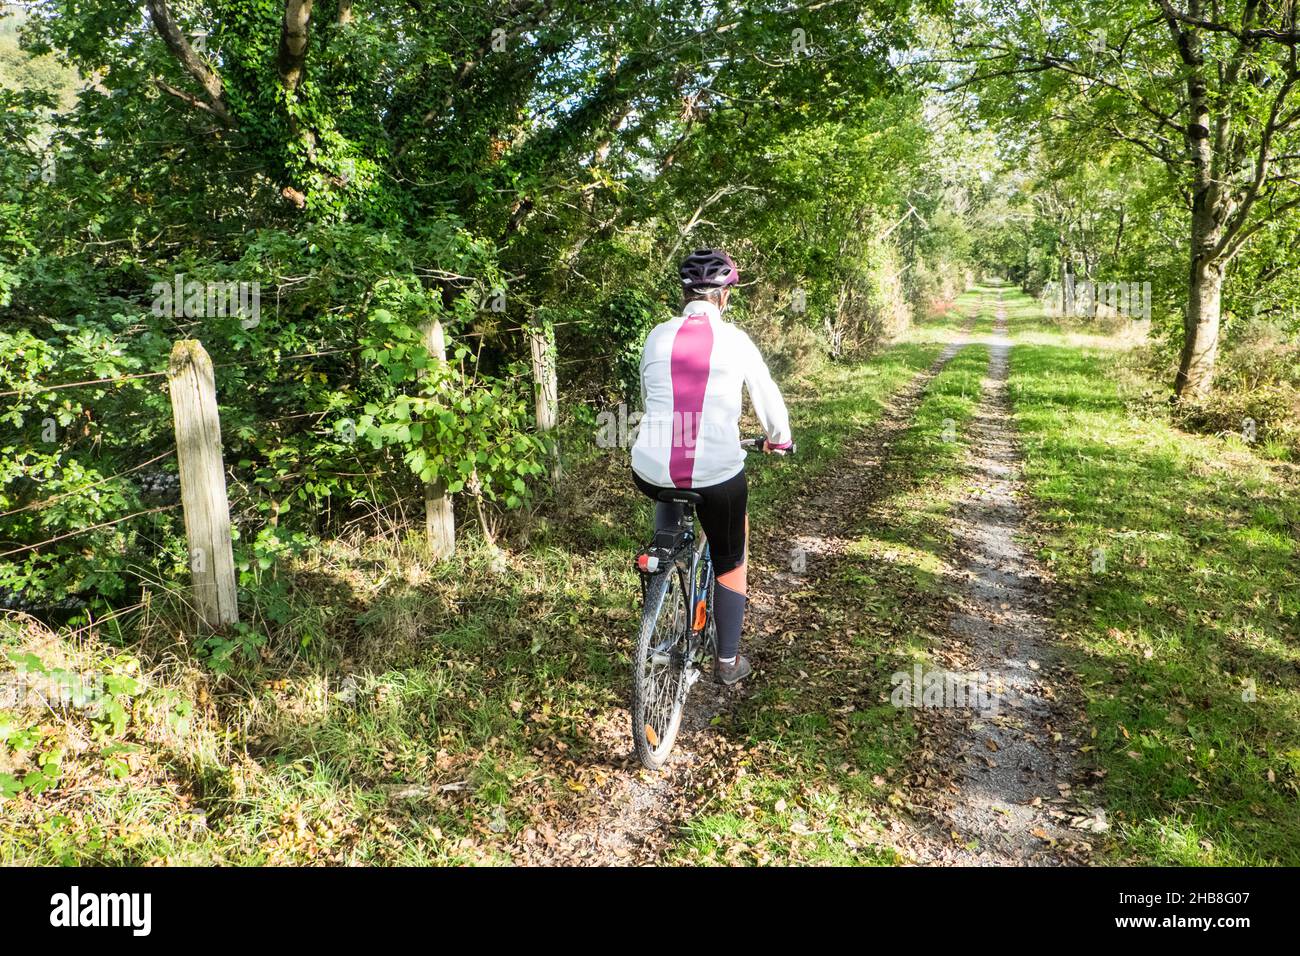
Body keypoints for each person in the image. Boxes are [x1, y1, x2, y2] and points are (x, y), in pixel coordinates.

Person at [630, 248, 792, 685]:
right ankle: (727, 662)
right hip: (717, 475)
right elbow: (767, 396)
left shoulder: (656, 335)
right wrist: (780, 439)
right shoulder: (736, 340)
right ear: (724, 298)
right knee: (730, 557)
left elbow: (653, 398)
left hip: (650, 467)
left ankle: (663, 563)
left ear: (683, 293)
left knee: (668, 505)